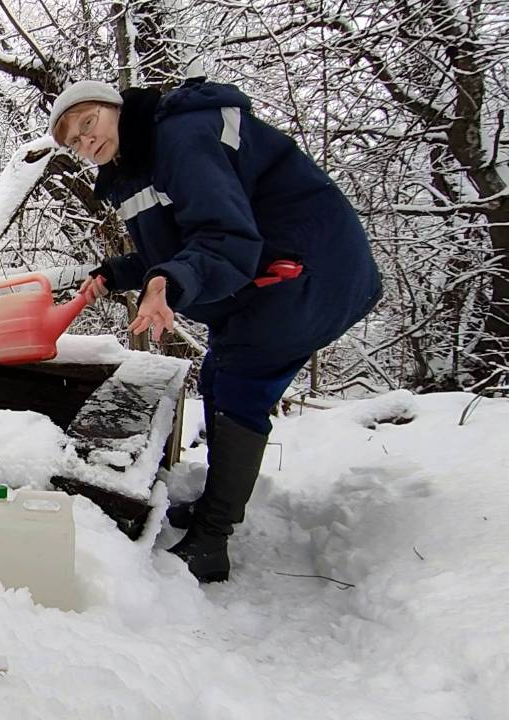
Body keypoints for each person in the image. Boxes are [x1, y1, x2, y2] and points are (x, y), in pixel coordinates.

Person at [48, 78, 382, 582]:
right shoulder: (139, 165)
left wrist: (169, 281)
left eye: (88, 123)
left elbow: (224, 236)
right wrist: (116, 274)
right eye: (73, 141)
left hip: (308, 271)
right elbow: (177, 243)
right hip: (269, 275)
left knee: (237, 382)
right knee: (221, 380)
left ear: (116, 108)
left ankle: (212, 538)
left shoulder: (182, 138)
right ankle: (214, 512)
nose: (85, 142)